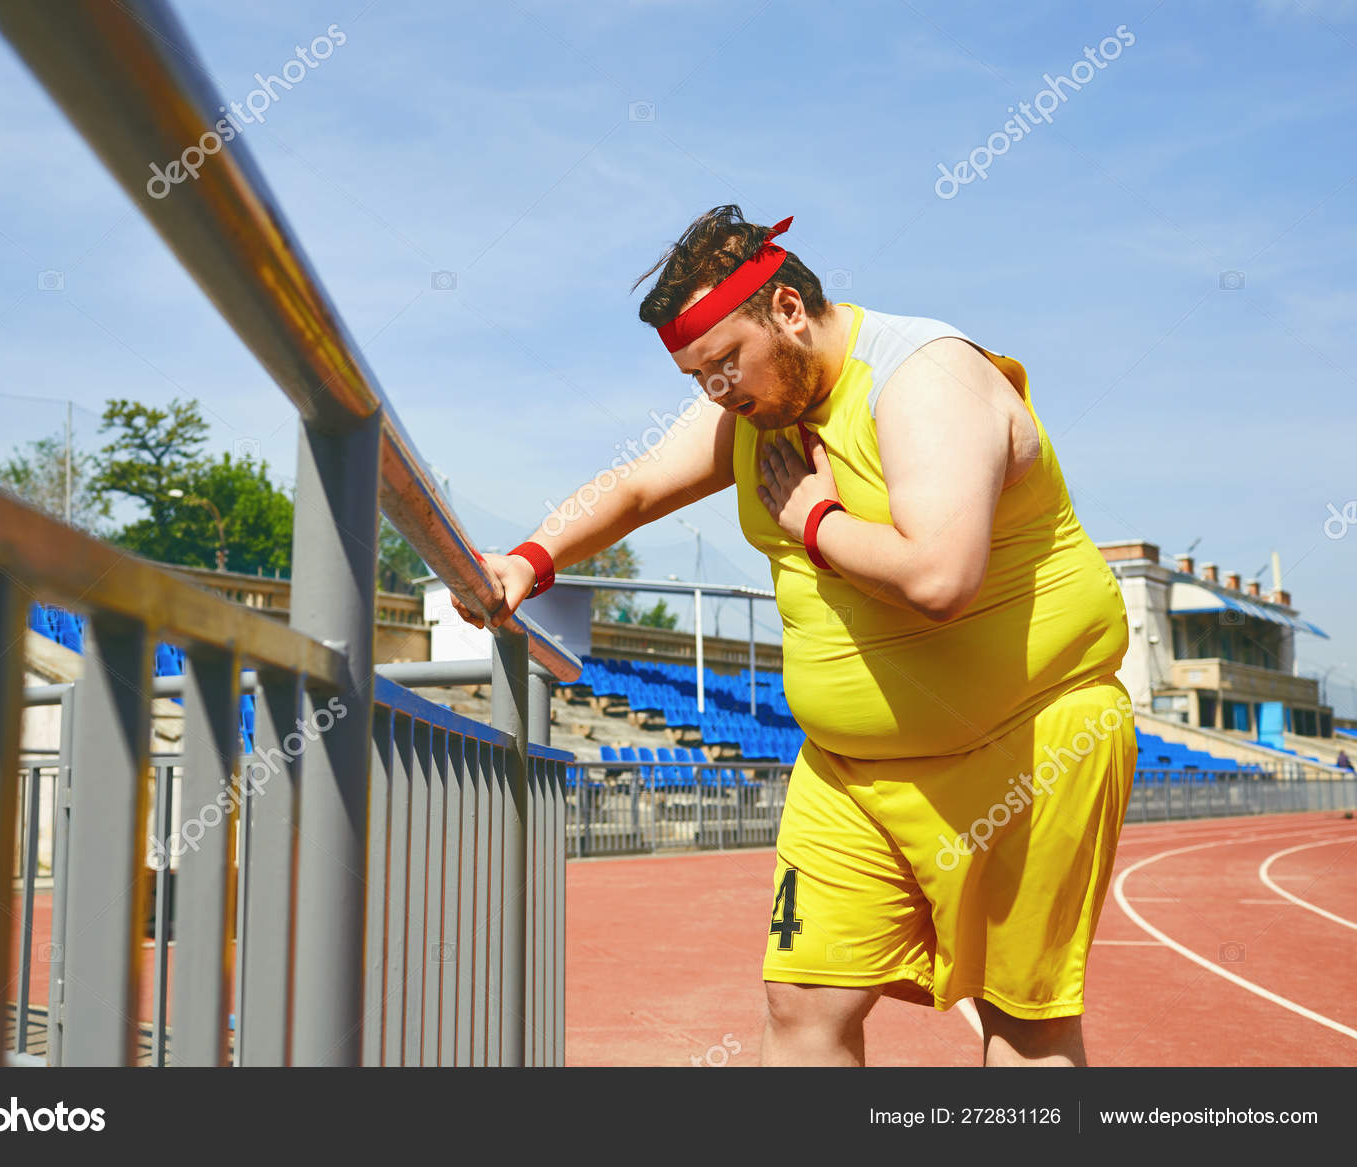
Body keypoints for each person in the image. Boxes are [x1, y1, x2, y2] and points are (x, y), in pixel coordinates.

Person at [449, 205, 1134, 1067]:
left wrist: (816, 522)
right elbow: (637, 487)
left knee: (1023, 1022)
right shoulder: (756, 410)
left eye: (726, 362)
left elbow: (940, 578)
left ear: (787, 309)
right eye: (699, 377)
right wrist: (528, 559)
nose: (718, 392)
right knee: (801, 1002)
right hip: (850, 771)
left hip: (1028, 741)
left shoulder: (923, 379)